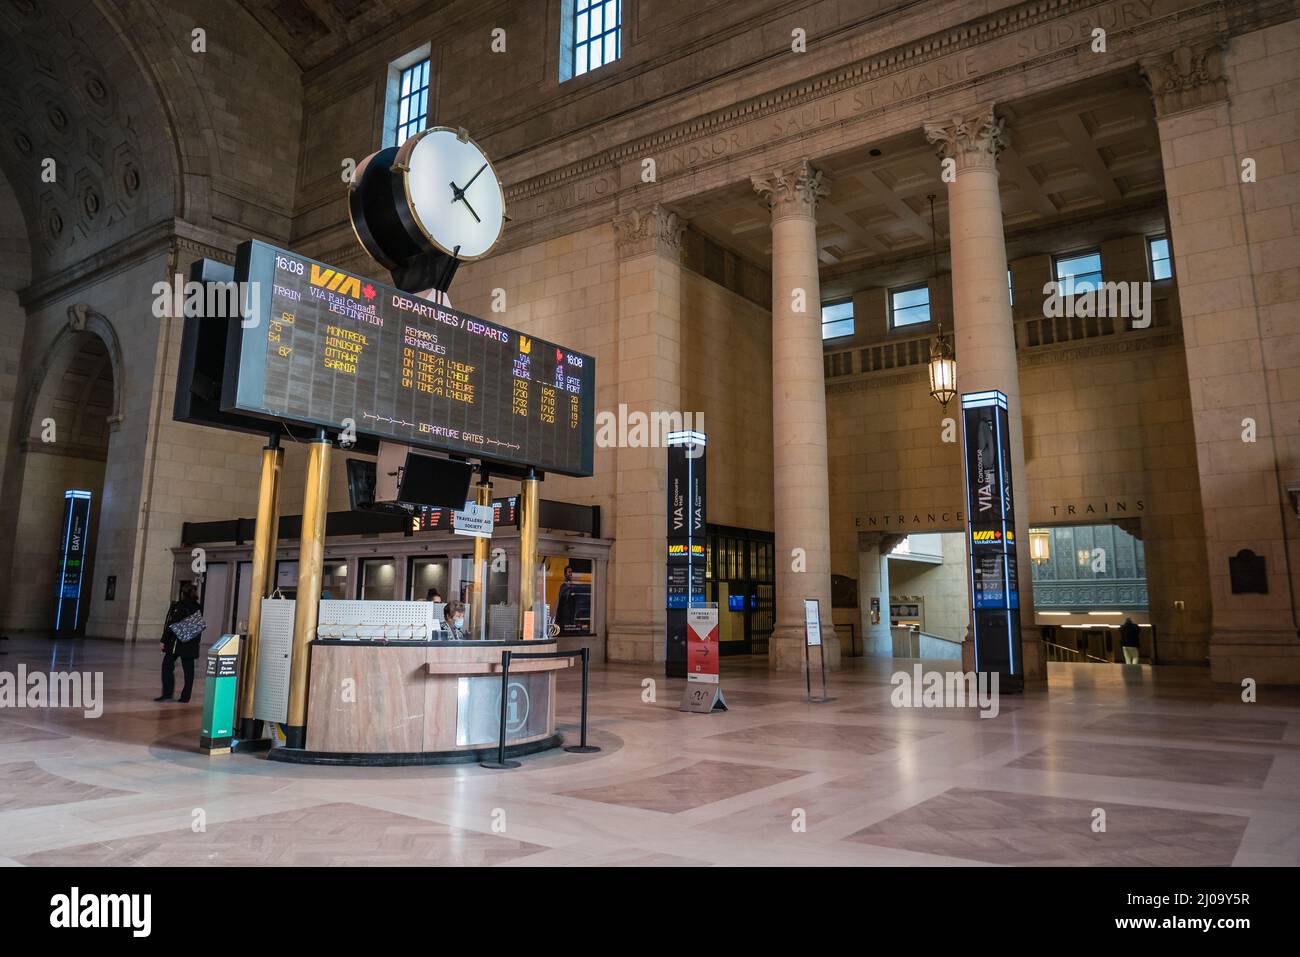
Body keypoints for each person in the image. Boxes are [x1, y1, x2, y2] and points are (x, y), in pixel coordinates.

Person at [157, 583, 202, 702]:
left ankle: (167, 693)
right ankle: (186, 697)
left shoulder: (181, 605)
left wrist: (163, 640)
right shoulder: (198, 606)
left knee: (167, 665)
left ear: (183, 593)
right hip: (191, 642)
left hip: (177, 643)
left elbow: (172, 624)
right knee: (189, 671)